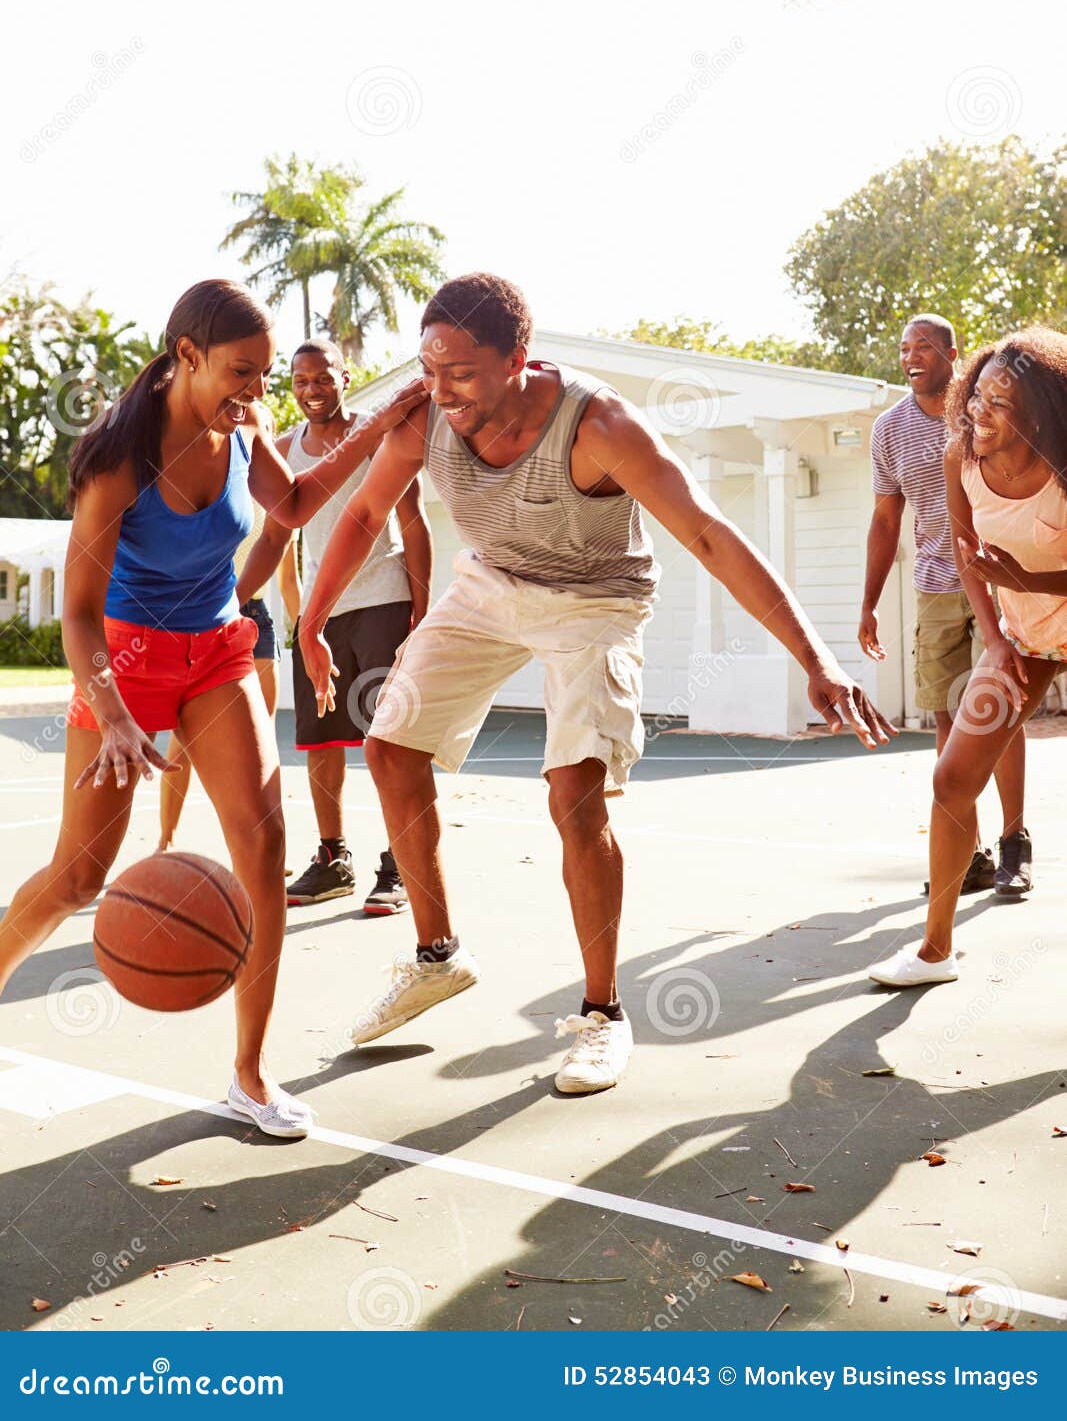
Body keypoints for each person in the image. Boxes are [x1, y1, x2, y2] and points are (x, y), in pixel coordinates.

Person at [298, 272, 894, 1095]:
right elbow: (363, 515)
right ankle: (436, 956)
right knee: (390, 748)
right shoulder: (424, 414)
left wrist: (814, 659)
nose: (439, 391)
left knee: (573, 790)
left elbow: (710, 537)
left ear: (518, 360)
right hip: (489, 582)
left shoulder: (600, 425)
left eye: (461, 374)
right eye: (428, 371)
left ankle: (603, 1014)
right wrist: (309, 618)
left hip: (594, 601)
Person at [0, 279, 425, 1136]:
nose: (256, 390)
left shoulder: (247, 430)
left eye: (264, 375)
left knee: (263, 845)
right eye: (241, 372)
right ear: (187, 355)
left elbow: (297, 504)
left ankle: (249, 1073)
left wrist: (379, 423)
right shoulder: (119, 458)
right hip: (123, 663)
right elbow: (77, 615)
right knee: (79, 873)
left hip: (217, 651)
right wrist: (113, 712)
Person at [870, 328, 1067, 987]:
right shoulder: (959, 454)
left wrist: (1030, 580)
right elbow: (963, 550)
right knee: (952, 778)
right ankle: (934, 951)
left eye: (1000, 403)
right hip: (1025, 638)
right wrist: (993, 634)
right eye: (977, 395)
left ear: (1037, 411)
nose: (978, 412)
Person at [242, 340, 432, 911]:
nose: (311, 390)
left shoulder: (378, 438)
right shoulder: (282, 451)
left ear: (345, 377)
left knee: (386, 738)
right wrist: (234, 599)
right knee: (320, 741)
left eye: (322, 378)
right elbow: (275, 538)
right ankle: (332, 860)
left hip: (382, 601)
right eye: (300, 381)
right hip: (318, 619)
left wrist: (420, 611)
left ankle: (399, 863)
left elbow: (414, 524)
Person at [859, 313, 1030, 898]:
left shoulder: (984, 413)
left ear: (953, 354)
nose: (912, 356)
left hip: (998, 578)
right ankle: (969, 851)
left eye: (925, 346)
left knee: (1001, 711)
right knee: (946, 716)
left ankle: (1015, 844)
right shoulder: (889, 429)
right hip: (933, 585)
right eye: (904, 346)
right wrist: (869, 603)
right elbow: (886, 519)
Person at [158, 482, 299, 850]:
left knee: (261, 743)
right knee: (184, 739)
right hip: (209, 617)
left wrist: (307, 633)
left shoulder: (281, 500)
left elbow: (288, 580)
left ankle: (261, 850)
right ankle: (167, 838)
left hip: (256, 619)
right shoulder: (215, 486)